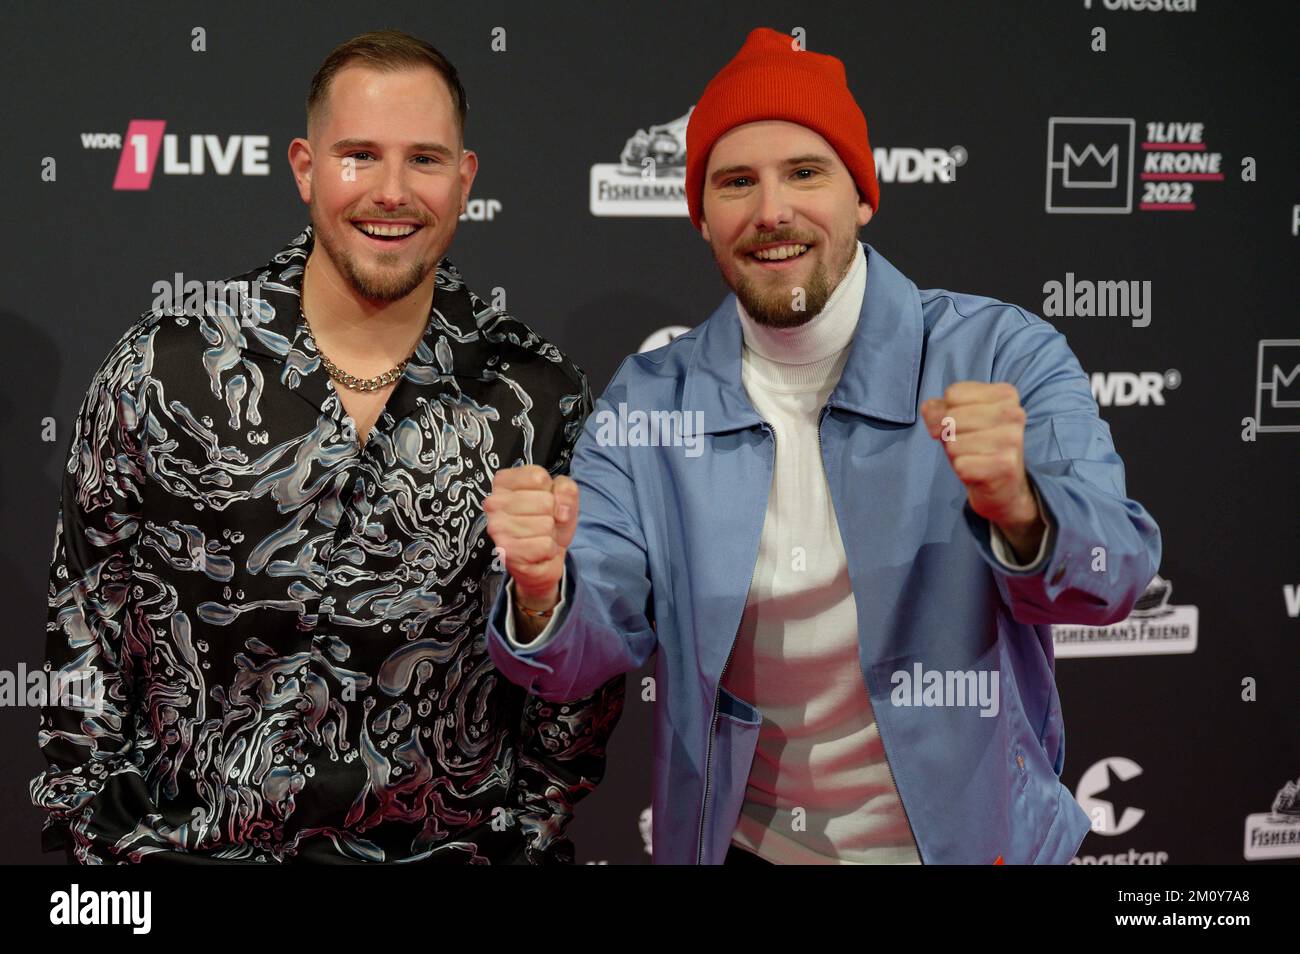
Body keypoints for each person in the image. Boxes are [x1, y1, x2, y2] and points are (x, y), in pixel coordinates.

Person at [482, 27, 1161, 865]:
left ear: (862, 196)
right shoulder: (653, 399)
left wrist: (1022, 508)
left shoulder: (1002, 354)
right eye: (737, 182)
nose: (772, 211)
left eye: (805, 172)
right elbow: (587, 640)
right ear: (701, 216)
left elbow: (1115, 574)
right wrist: (545, 587)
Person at [31, 29, 622, 864]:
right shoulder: (163, 374)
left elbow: (576, 709)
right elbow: (82, 637)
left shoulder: (536, 399)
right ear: (306, 169)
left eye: (423, 159)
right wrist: (102, 864)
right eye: (359, 156)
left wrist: (543, 603)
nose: (391, 192)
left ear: (465, 179)